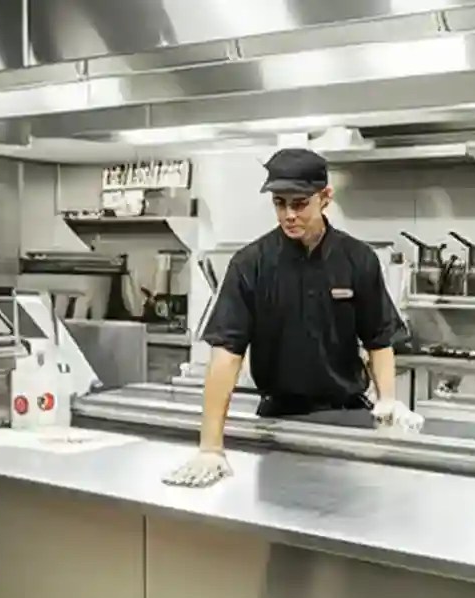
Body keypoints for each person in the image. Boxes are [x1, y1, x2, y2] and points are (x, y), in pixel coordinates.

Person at [165, 148, 421, 487]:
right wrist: (210, 447)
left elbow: (379, 338)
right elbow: (226, 355)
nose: (288, 215)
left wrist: (387, 400)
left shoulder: (358, 259)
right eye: (280, 203)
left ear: (325, 197)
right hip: (277, 422)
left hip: (347, 418)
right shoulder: (250, 264)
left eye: (299, 204)